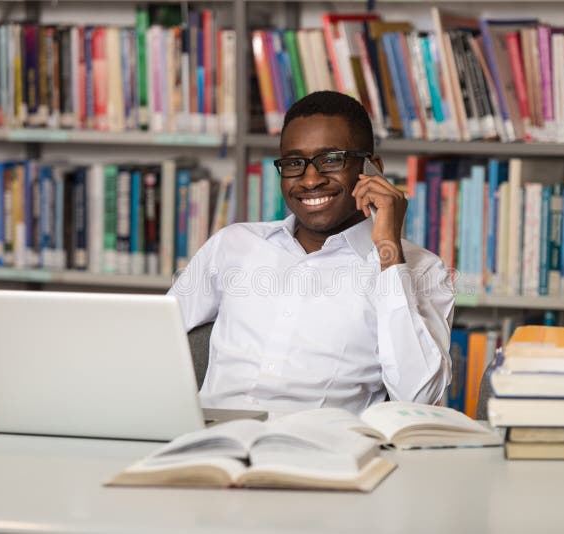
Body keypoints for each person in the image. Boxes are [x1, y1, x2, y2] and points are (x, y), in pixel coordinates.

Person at [168, 91, 454, 414]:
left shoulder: (423, 270)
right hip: (210, 445)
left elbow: (417, 399)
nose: (310, 180)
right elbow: (153, 335)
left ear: (373, 169)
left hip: (320, 453)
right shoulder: (233, 245)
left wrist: (388, 248)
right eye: (294, 163)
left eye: (331, 159)